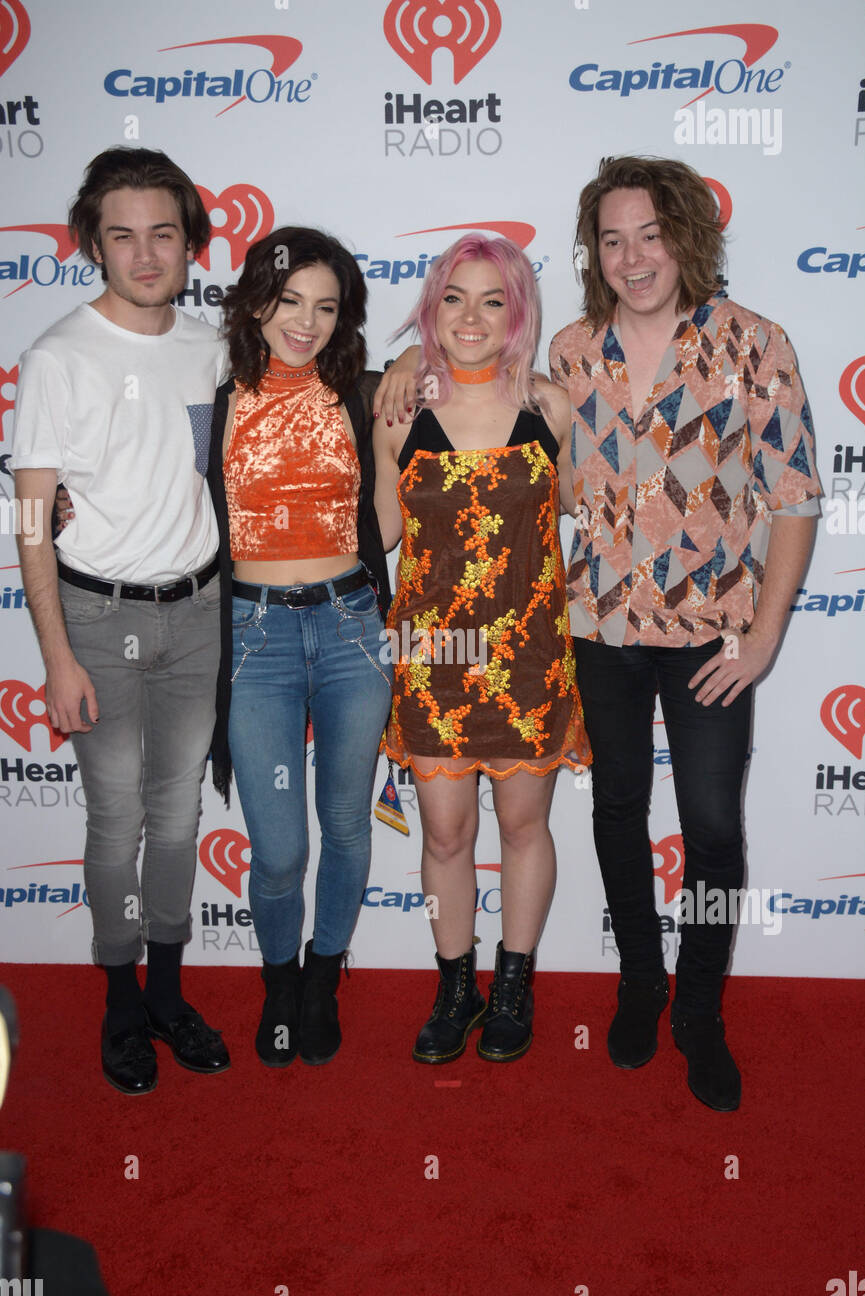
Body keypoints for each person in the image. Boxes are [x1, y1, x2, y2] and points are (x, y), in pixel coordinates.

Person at [548, 155, 821, 1110]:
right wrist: (411, 367)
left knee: (709, 831)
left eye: (650, 235)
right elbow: (502, 420)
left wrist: (764, 637)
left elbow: (793, 501)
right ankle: (639, 983)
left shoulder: (755, 343)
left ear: (686, 238)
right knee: (618, 810)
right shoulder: (572, 349)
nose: (632, 258)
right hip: (602, 629)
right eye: (613, 240)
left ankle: (698, 1014)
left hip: (715, 637)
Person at [11, 147, 230, 1094]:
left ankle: (169, 994)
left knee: (177, 818)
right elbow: (30, 518)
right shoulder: (57, 356)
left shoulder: (214, 344)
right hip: (97, 616)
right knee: (114, 822)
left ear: (190, 243)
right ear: (90, 244)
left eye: (164, 235)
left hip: (201, 610)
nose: (145, 255)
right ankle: (117, 1000)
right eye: (123, 235)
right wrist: (55, 657)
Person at [374, 233, 591, 1065]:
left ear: (517, 313)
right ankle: (453, 986)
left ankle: (514, 984)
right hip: (432, 661)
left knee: (525, 826)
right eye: (453, 298)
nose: (471, 316)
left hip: (529, 657)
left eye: (491, 299)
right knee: (442, 835)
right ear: (431, 309)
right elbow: (379, 533)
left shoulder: (551, 407)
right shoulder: (399, 410)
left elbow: (587, 511)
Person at [206, 227, 392, 1068]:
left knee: (347, 826)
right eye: (289, 302)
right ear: (255, 300)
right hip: (256, 636)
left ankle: (324, 975)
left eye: (326, 307)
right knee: (279, 849)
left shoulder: (362, 389)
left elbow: (385, 518)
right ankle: (277, 980)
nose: (306, 323)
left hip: (351, 624)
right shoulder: (211, 391)